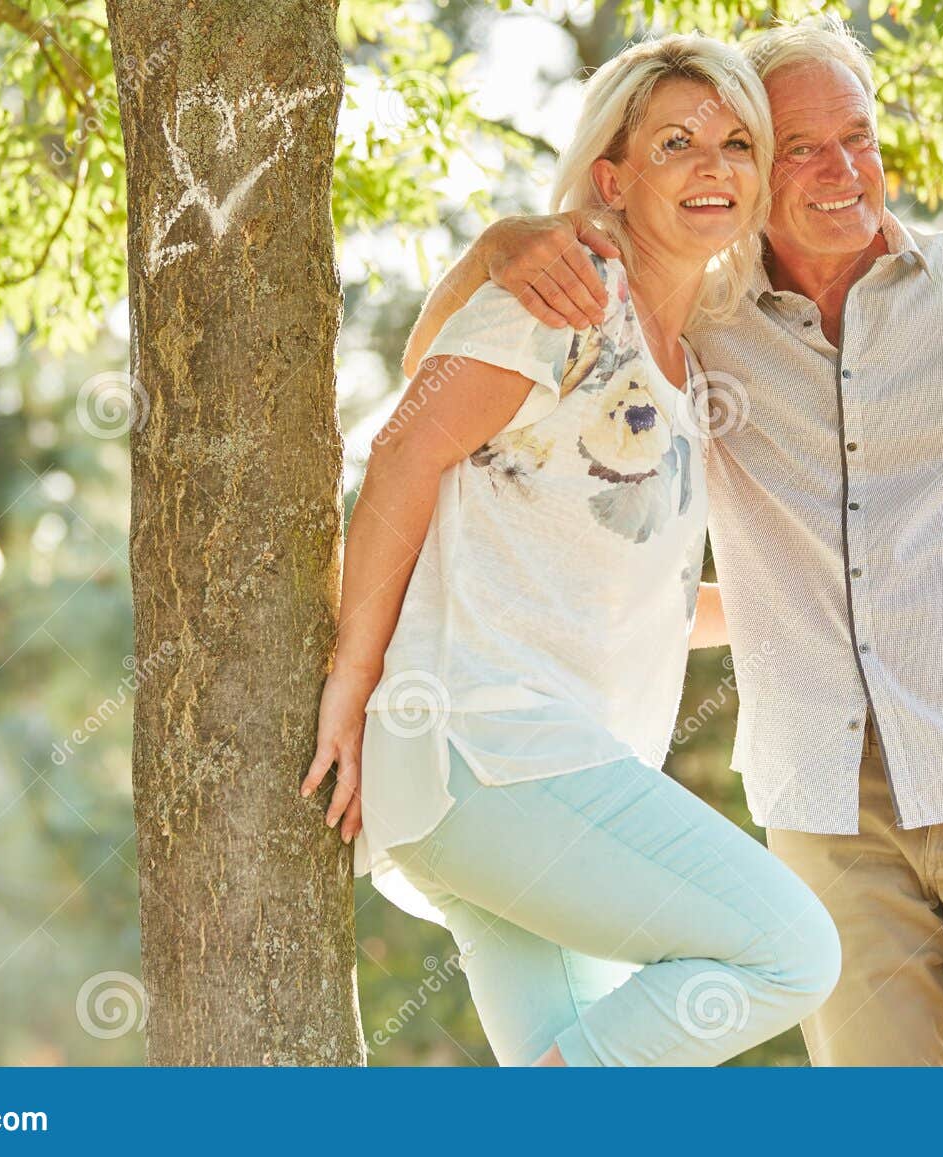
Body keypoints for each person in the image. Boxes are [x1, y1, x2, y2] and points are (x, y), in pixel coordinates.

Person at [401, 16, 943, 1067]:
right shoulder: (699, 316)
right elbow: (436, 382)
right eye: (800, 147)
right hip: (824, 805)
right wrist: (491, 249)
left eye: (858, 137)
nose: (843, 170)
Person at [301, 32, 841, 1068]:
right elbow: (408, 441)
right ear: (612, 177)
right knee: (789, 952)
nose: (713, 165)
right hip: (490, 748)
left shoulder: (683, 366)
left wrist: (824, 612)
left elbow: (642, 603)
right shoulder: (566, 298)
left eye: (737, 143)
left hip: (529, 778)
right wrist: (351, 679)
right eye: (676, 142)